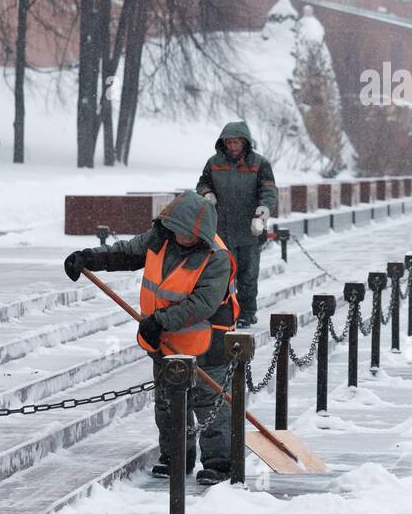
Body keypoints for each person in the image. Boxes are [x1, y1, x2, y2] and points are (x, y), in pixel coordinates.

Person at [63, 190, 238, 485]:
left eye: (188, 234)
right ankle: (175, 456)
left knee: (210, 403)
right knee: (168, 403)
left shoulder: (215, 257)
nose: (181, 238)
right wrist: (89, 258)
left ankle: (219, 462)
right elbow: (126, 253)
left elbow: (203, 303)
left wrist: (160, 320)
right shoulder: (159, 239)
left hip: (206, 341)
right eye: (178, 231)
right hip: (164, 340)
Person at [196, 121, 278, 327]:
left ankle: (247, 313)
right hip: (221, 230)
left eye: (237, 142)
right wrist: (207, 194)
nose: (233, 146)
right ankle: (222, 312)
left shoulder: (259, 164)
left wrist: (262, 213)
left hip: (249, 229)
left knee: (248, 274)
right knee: (221, 274)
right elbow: (202, 183)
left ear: (245, 143)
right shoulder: (214, 163)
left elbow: (268, 191)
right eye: (230, 142)